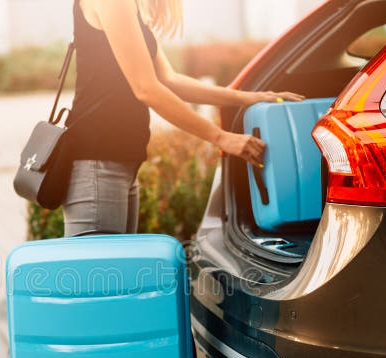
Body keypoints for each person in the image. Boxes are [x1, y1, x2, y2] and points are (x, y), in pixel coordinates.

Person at [62, 0, 304, 238]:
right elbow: (146, 89)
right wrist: (221, 137)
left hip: (120, 162)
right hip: (97, 163)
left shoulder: (132, 5)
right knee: (98, 273)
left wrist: (249, 97)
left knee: (114, 271)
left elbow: (170, 80)